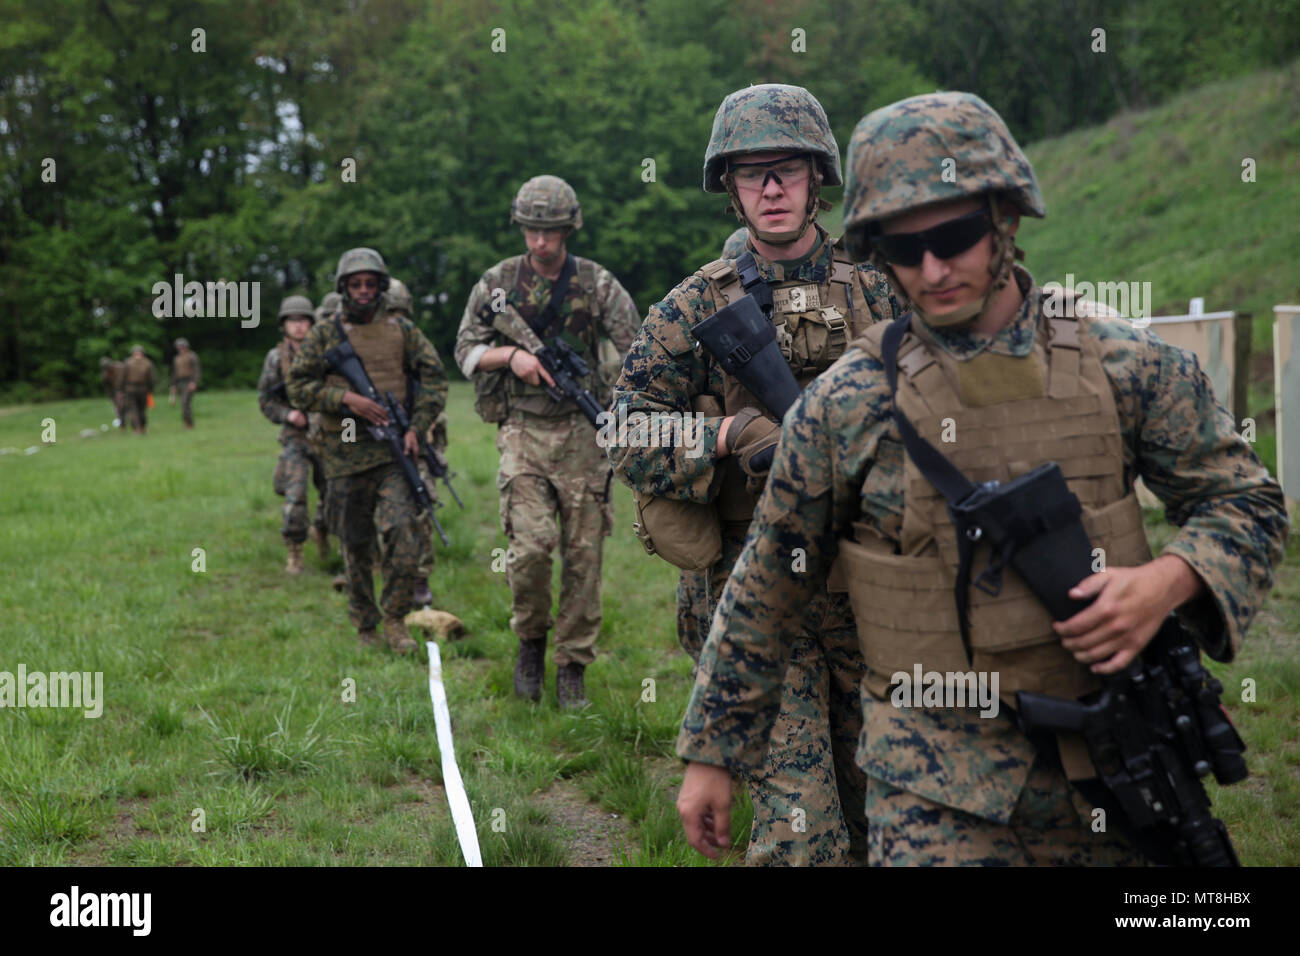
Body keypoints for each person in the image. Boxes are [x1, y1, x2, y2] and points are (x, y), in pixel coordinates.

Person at [674, 91, 1289, 866]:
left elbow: (1246, 501)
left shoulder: (1122, 362)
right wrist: (712, 751)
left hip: (1115, 761)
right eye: (902, 249)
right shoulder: (848, 403)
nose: (932, 269)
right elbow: (767, 584)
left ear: (1007, 216)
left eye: (956, 235)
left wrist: (1169, 580)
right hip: (934, 790)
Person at [610, 84, 905, 866]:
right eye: (751, 173)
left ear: (816, 178)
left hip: (871, 587)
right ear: (731, 190)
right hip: (754, 594)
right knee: (802, 828)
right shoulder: (691, 308)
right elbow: (622, 427)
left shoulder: (882, 288)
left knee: (886, 812)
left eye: (786, 170)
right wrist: (726, 433)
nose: (771, 188)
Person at [454, 175, 639, 708]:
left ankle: (573, 666)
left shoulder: (597, 283)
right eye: (532, 230)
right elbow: (465, 349)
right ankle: (531, 642)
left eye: (550, 231)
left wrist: (617, 392)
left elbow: (637, 348)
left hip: (585, 433)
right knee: (531, 549)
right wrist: (511, 357)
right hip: (523, 431)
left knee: (586, 558)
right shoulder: (497, 283)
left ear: (568, 229)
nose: (540, 242)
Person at [287, 248, 449, 654]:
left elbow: (434, 377)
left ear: (381, 286)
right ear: (344, 287)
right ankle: (365, 624)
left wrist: (416, 427)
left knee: (403, 532)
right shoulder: (325, 333)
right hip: (343, 457)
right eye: (355, 284)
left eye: (370, 284)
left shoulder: (403, 330)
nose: (363, 291)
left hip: (392, 455)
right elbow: (297, 386)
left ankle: (396, 619)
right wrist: (346, 399)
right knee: (355, 544)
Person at [258, 294, 331, 575]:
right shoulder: (276, 358)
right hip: (295, 436)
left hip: (327, 436)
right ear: (284, 325)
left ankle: (323, 533)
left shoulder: (326, 352)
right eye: (293, 321)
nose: (299, 326)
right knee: (295, 495)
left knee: (333, 494)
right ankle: (295, 552)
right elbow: (265, 400)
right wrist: (289, 415)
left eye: (303, 320)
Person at [386, 277, 436, 608]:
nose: (396, 319)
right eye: (390, 312)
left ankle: (420, 576)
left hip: (414, 437)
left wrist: (421, 430)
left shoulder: (417, 346)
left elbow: (434, 390)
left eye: (401, 312)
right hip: (370, 439)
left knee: (422, 503)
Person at [120, 345, 156, 434]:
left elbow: (122, 377)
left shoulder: (127, 362)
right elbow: (152, 379)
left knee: (136, 409)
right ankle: (141, 428)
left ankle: (137, 429)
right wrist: (150, 389)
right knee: (140, 409)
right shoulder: (148, 362)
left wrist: (121, 388)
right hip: (137, 388)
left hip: (134, 388)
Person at [170, 338, 201, 428]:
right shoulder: (177, 358)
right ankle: (186, 423)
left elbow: (197, 370)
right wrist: (173, 385)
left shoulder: (192, 356)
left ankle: (189, 424)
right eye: (179, 347)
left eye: (182, 346)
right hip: (180, 382)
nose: (181, 348)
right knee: (183, 404)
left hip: (189, 381)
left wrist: (194, 382)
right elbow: (174, 373)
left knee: (185, 402)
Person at [100, 357, 125, 427]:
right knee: (117, 408)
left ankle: (127, 422)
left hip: (124, 390)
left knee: (125, 407)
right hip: (114, 392)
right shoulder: (105, 374)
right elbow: (107, 387)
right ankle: (122, 424)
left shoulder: (120, 367)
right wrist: (111, 396)